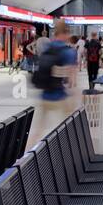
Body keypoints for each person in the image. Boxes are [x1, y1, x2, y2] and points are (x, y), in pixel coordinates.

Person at [25, 18, 78, 147]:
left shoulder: (48, 48)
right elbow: (72, 79)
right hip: (60, 96)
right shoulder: (68, 52)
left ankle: (27, 153)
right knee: (71, 125)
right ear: (65, 34)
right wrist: (74, 92)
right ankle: (69, 149)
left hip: (44, 95)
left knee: (39, 129)